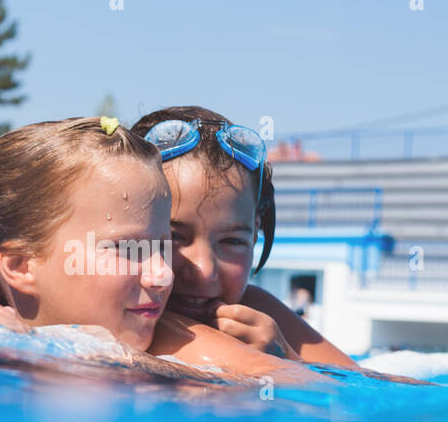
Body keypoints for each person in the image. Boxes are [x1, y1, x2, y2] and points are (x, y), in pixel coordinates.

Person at [0, 116, 323, 381]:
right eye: (128, 249)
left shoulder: (172, 337)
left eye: (161, 246)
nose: (167, 272)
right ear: (20, 265)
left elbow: (325, 395)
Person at [130, 106, 358, 368]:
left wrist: (286, 356)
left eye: (232, 241)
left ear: (256, 232)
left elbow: (366, 386)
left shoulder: (258, 311)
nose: (204, 270)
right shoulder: (106, 319)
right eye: (173, 237)